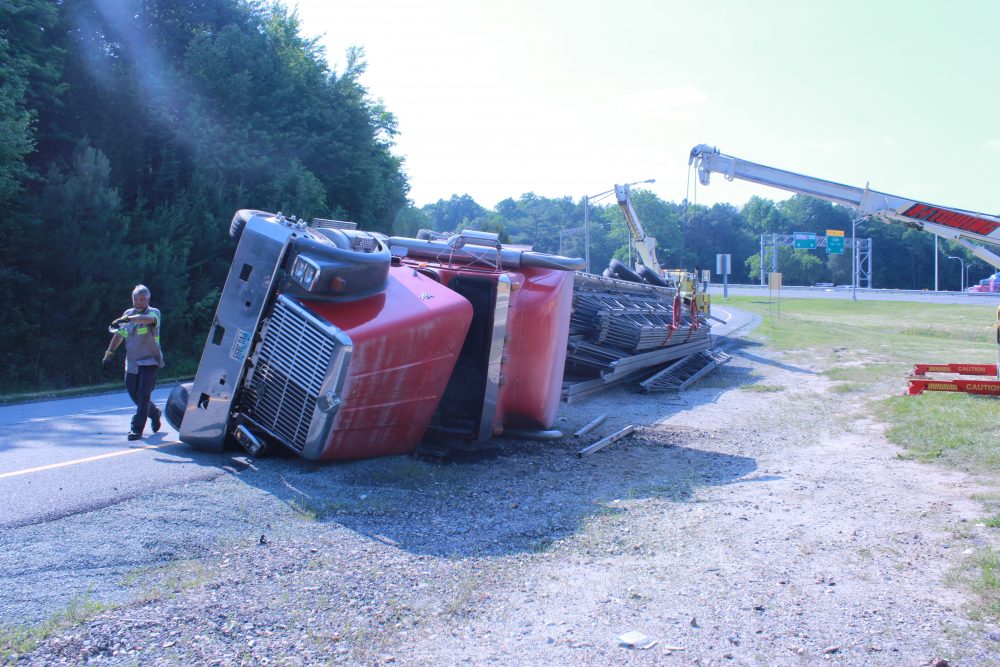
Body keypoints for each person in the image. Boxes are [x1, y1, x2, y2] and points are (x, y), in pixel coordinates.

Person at [103, 284, 165, 441]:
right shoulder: (128, 314)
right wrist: (109, 354)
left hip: (150, 361)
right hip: (132, 363)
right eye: (135, 299)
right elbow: (119, 334)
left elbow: (147, 320)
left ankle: (136, 429)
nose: (138, 302)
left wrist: (128, 319)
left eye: (142, 299)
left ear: (148, 299)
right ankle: (154, 413)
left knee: (143, 395)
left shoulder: (153, 312)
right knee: (134, 395)